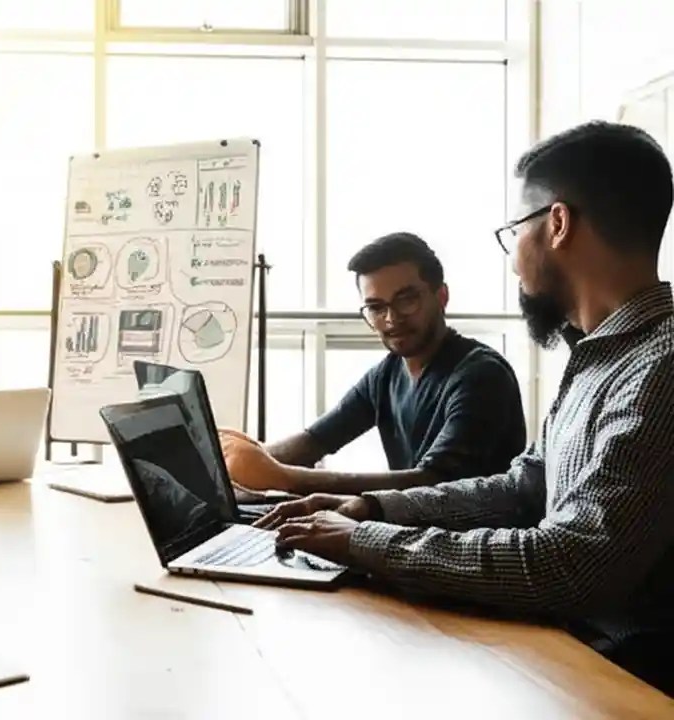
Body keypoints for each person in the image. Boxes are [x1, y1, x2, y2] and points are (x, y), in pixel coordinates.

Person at [258, 121, 674, 694]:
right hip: (570, 652)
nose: (512, 262)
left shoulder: (661, 367)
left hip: (626, 679)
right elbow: (524, 486)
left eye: (512, 233)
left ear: (557, 224)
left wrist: (365, 543)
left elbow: (573, 564)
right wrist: (372, 509)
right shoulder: (599, 356)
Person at [220, 233, 526, 501]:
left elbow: (433, 485)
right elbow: (315, 441)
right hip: (412, 540)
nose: (391, 319)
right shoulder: (388, 373)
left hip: (465, 553)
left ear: (441, 296)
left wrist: (284, 478)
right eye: (377, 308)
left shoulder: (482, 376)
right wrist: (233, 465)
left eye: (406, 300)